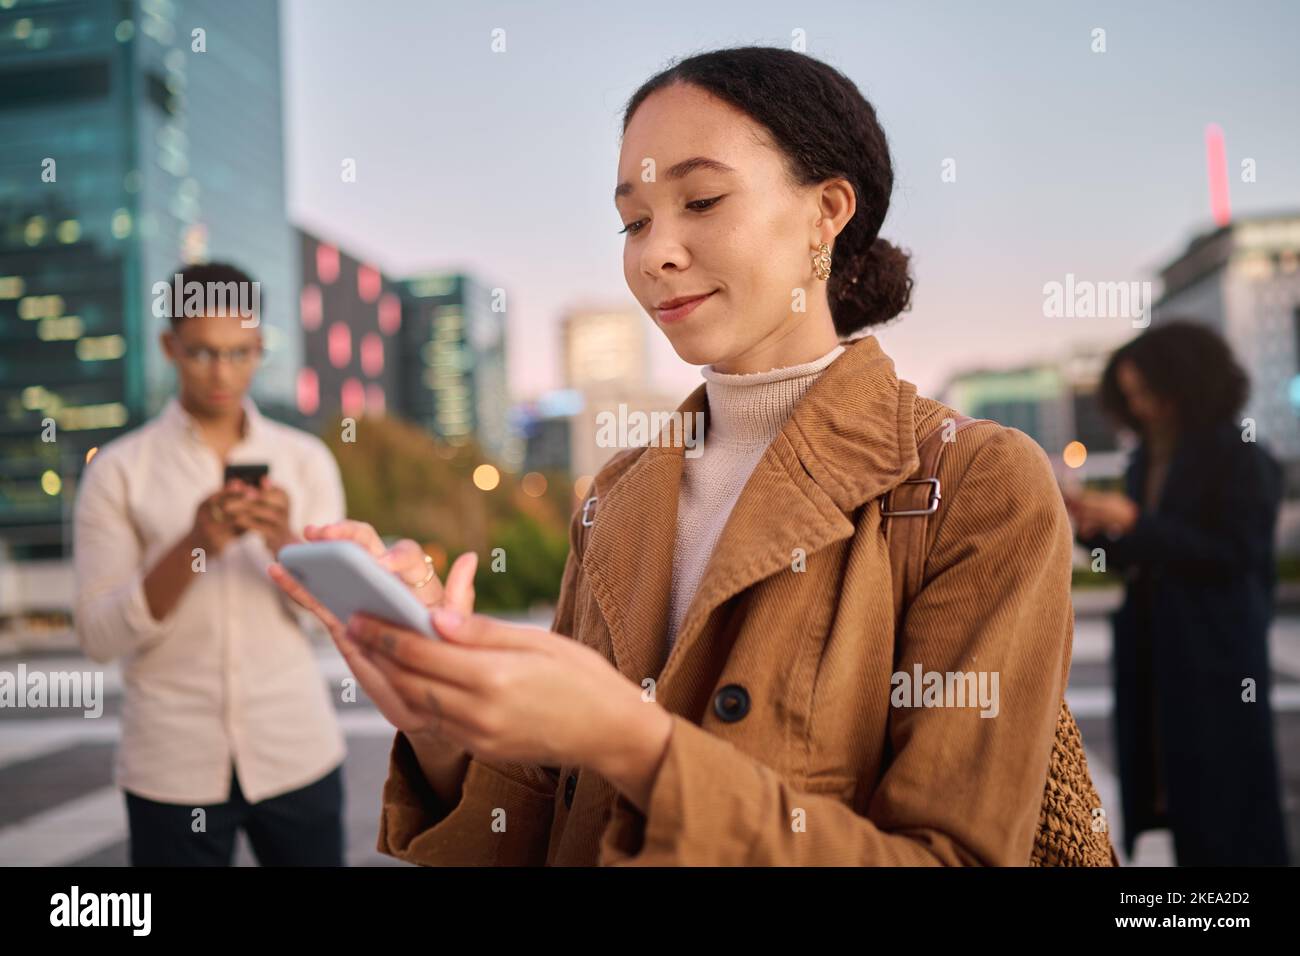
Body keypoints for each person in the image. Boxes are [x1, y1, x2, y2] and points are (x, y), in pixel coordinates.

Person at [272, 46, 1089, 865]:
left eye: (701, 200)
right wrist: (440, 721)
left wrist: (637, 745)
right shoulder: (620, 491)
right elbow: (538, 822)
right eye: (633, 220)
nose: (652, 253)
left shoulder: (974, 481)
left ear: (826, 212)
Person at [73, 262, 350, 866]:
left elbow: (338, 618)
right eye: (202, 353)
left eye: (240, 352)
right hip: (171, 766)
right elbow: (98, 636)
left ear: (259, 346)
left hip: (295, 752)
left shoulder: (306, 461)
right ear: (170, 347)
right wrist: (193, 543)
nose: (223, 373)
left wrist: (283, 541)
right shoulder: (118, 471)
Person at [1065, 320, 1290, 866]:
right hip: (1156, 647)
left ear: (1183, 383)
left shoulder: (1240, 456)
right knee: (1171, 784)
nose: (1141, 406)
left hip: (1216, 649)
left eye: (1148, 391)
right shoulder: (1146, 456)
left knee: (1229, 797)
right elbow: (1149, 553)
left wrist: (1136, 522)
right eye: (1131, 394)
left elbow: (1233, 553)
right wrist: (1096, 530)